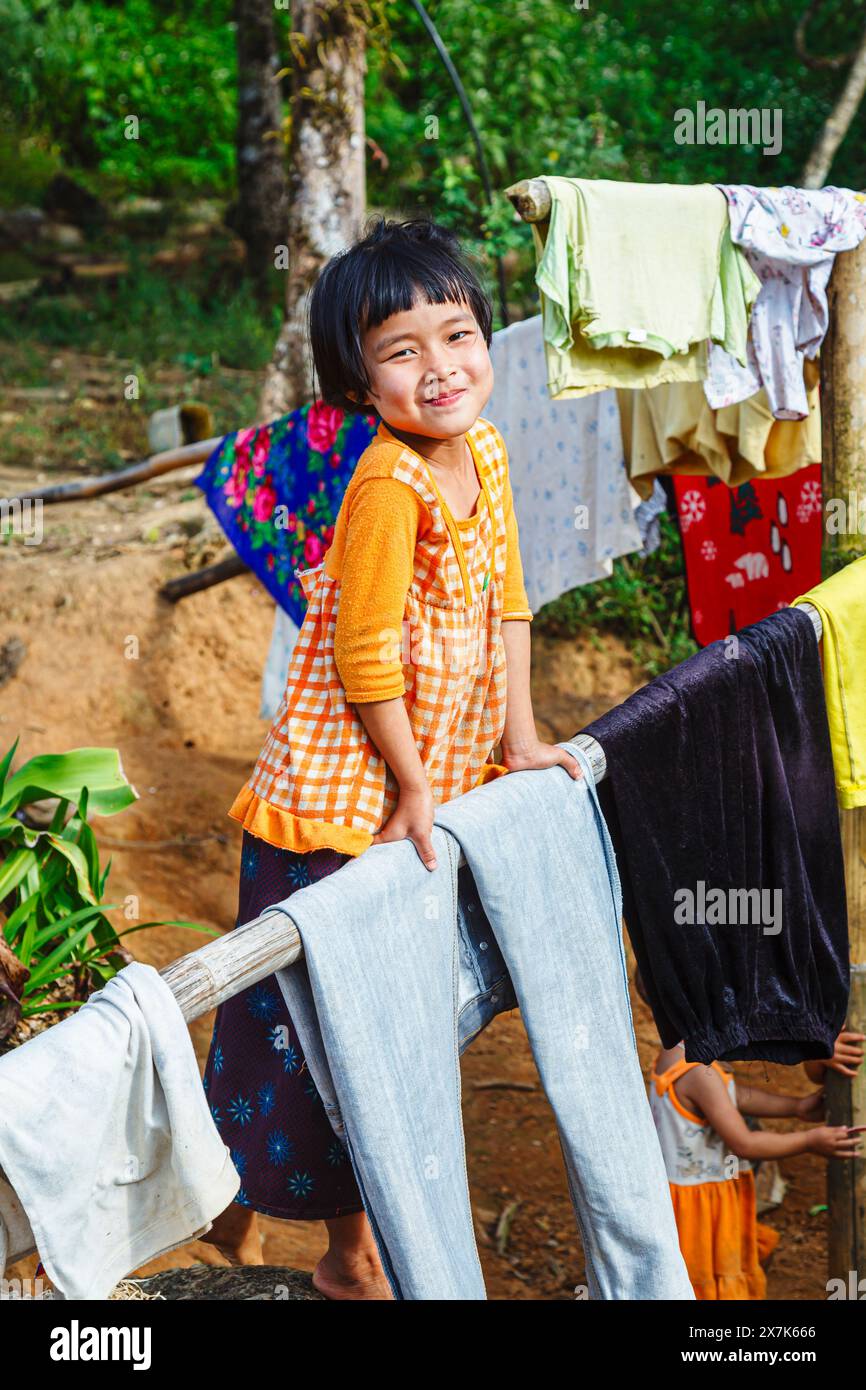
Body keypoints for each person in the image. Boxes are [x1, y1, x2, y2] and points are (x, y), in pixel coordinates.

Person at [199, 217, 583, 1299]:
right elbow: (366, 657)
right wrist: (415, 783)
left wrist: (517, 735)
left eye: (455, 334)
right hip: (342, 805)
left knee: (337, 1024)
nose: (439, 368)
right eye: (401, 351)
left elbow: (507, 600)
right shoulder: (384, 489)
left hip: (423, 789)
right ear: (360, 383)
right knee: (318, 1030)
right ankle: (348, 1254)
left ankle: (234, 1212)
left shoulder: (489, 454)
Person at [635, 970, 864, 1299]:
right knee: (709, 1284)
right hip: (702, 1207)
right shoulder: (699, 1071)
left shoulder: (682, 1055)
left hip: (693, 1196)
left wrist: (796, 1107)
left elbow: (735, 1096)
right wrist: (811, 1141)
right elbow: (744, 1143)